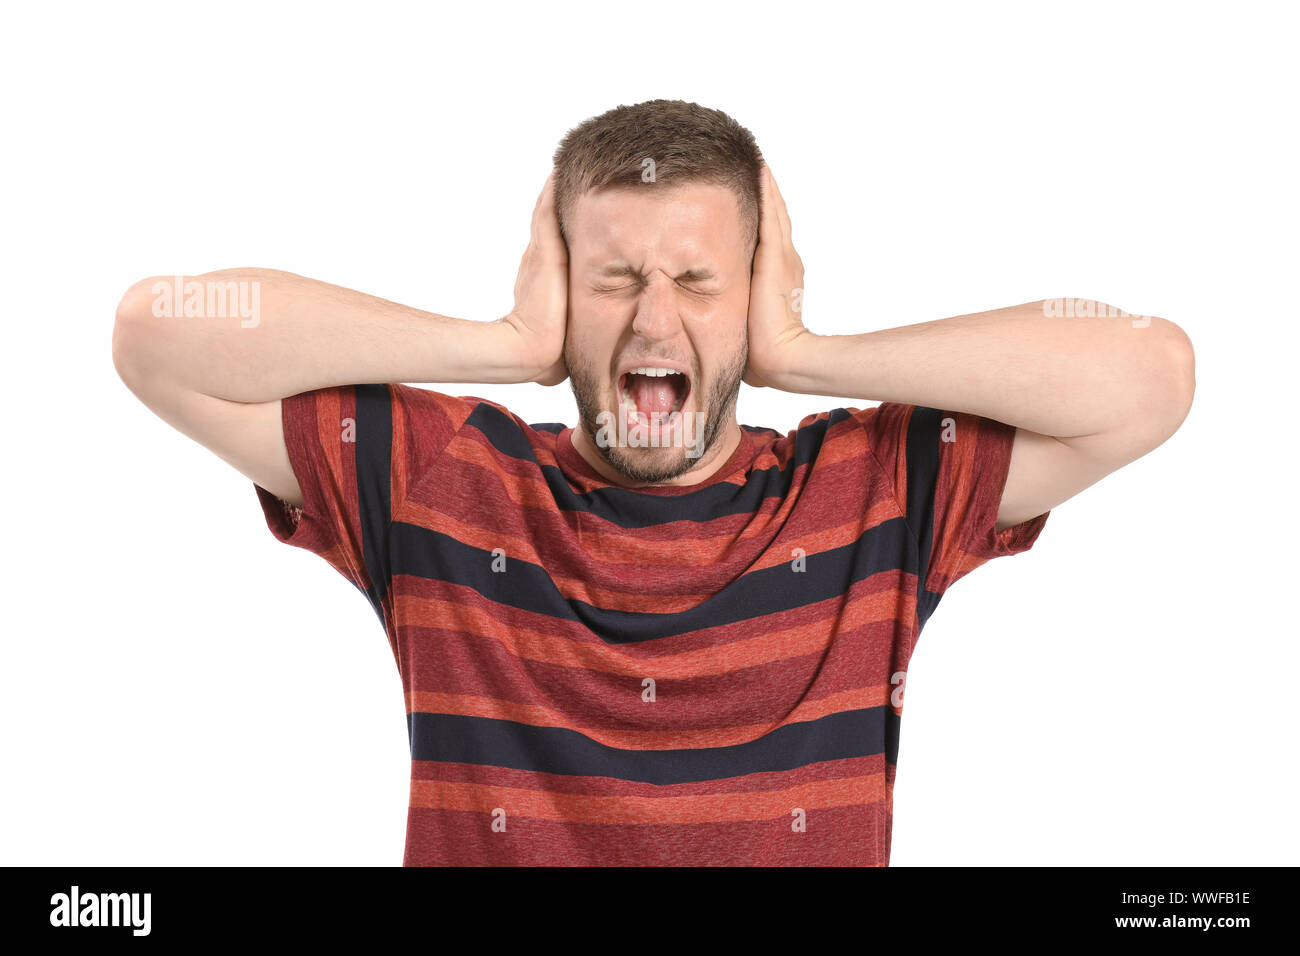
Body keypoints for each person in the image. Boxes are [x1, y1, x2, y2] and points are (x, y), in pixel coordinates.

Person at [111, 99, 1195, 865]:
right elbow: (156, 333)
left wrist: (805, 351)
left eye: (698, 281)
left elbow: (1149, 375)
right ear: (560, 293)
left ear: (756, 293)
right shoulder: (443, 478)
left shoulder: (874, 489)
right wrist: (501, 342)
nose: (653, 321)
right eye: (613, 279)